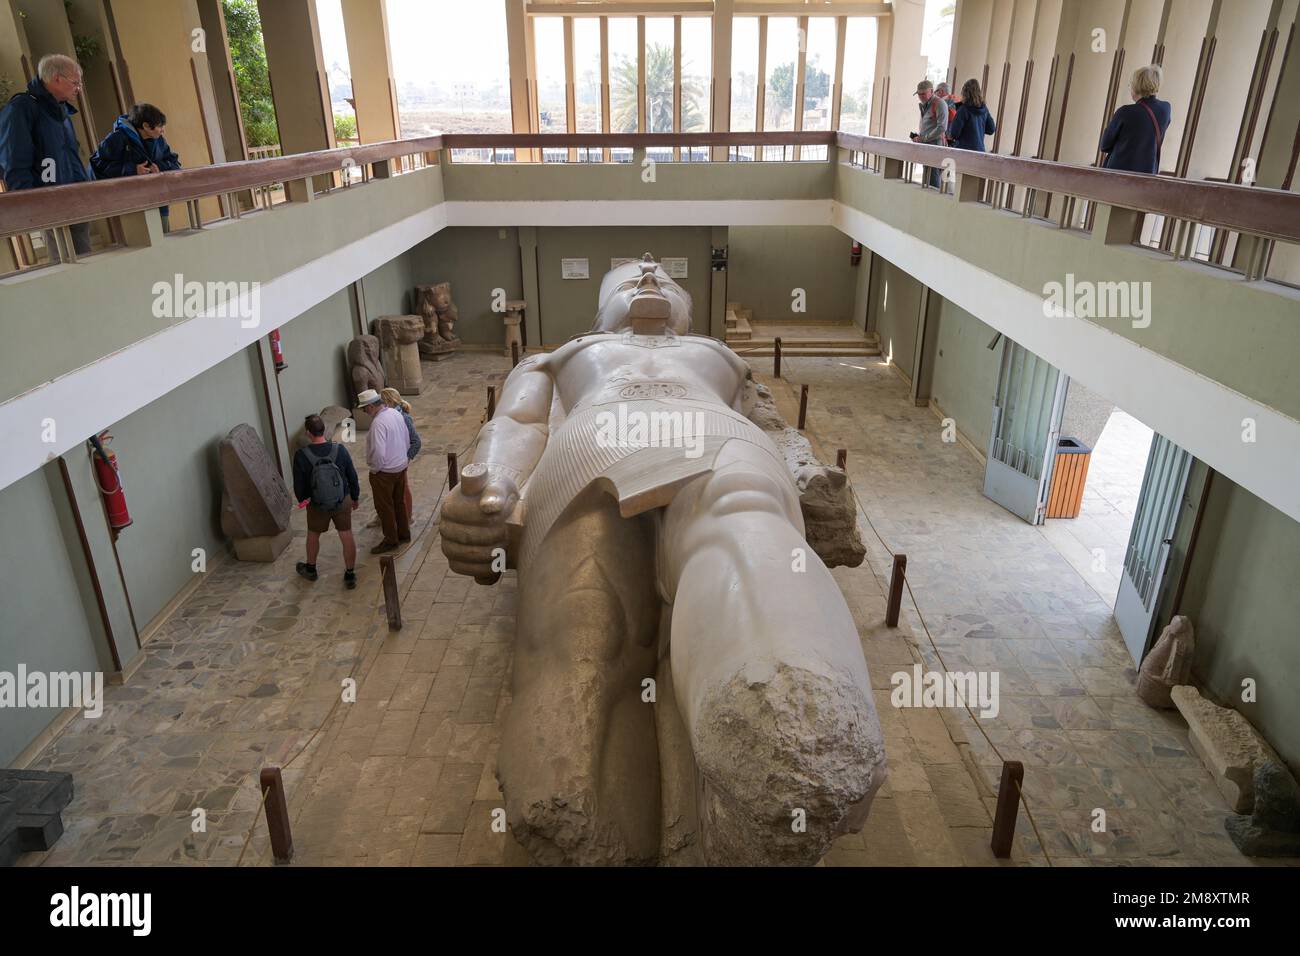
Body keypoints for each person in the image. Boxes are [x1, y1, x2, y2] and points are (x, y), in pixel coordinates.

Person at [0, 53, 93, 259]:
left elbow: (70, 155)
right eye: (75, 82)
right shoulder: (22, 108)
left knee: (86, 258)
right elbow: (14, 158)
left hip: (75, 196)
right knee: (63, 261)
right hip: (47, 202)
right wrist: (28, 201)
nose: (79, 88)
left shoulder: (62, 111)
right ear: (56, 79)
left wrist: (84, 189)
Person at [292, 414, 360, 589]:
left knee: (313, 535)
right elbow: (352, 475)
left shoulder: (301, 455)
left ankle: (311, 568)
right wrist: (355, 496)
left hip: (316, 504)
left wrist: (304, 501)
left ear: (308, 433)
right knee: (346, 534)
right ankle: (350, 573)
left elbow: (299, 485)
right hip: (342, 500)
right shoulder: (340, 450)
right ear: (324, 430)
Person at [90, 103, 181, 226]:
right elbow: (97, 166)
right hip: (131, 205)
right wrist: (132, 170)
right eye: (160, 126)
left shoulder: (159, 140)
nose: (163, 130)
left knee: (166, 238)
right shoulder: (116, 139)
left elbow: (175, 163)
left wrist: (160, 168)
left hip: (160, 203)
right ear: (146, 126)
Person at [358, 388, 411, 553]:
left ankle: (390, 539)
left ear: (371, 406)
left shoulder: (378, 423)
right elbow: (406, 439)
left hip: (385, 472)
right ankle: (404, 533)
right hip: (400, 467)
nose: (365, 412)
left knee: (385, 507)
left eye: (365, 409)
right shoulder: (395, 414)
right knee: (399, 502)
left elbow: (379, 453)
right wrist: (403, 459)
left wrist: (375, 469)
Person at [1099, 64, 1171, 174]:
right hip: (1146, 175)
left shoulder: (1125, 112)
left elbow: (1105, 145)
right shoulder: (1165, 109)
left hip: (1118, 175)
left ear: (1136, 87)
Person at [381, 387, 421, 525]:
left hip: (399, 460)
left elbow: (416, 442)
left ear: (389, 402)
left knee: (403, 488)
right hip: (390, 459)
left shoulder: (403, 418)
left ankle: (408, 517)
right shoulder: (388, 416)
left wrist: (406, 458)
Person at [910, 80, 948, 188]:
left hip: (935, 145)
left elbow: (942, 127)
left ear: (931, 91)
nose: (921, 96)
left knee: (933, 179)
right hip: (926, 145)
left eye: (923, 94)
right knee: (927, 177)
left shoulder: (940, 103)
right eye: (919, 94)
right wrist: (919, 137)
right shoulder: (925, 105)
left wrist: (924, 138)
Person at [948, 78, 997, 151]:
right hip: (979, 150)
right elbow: (991, 129)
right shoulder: (984, 109)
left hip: (963, 150)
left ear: (964, 93)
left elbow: (954, 133)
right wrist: (979, 128)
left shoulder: (963, 110)